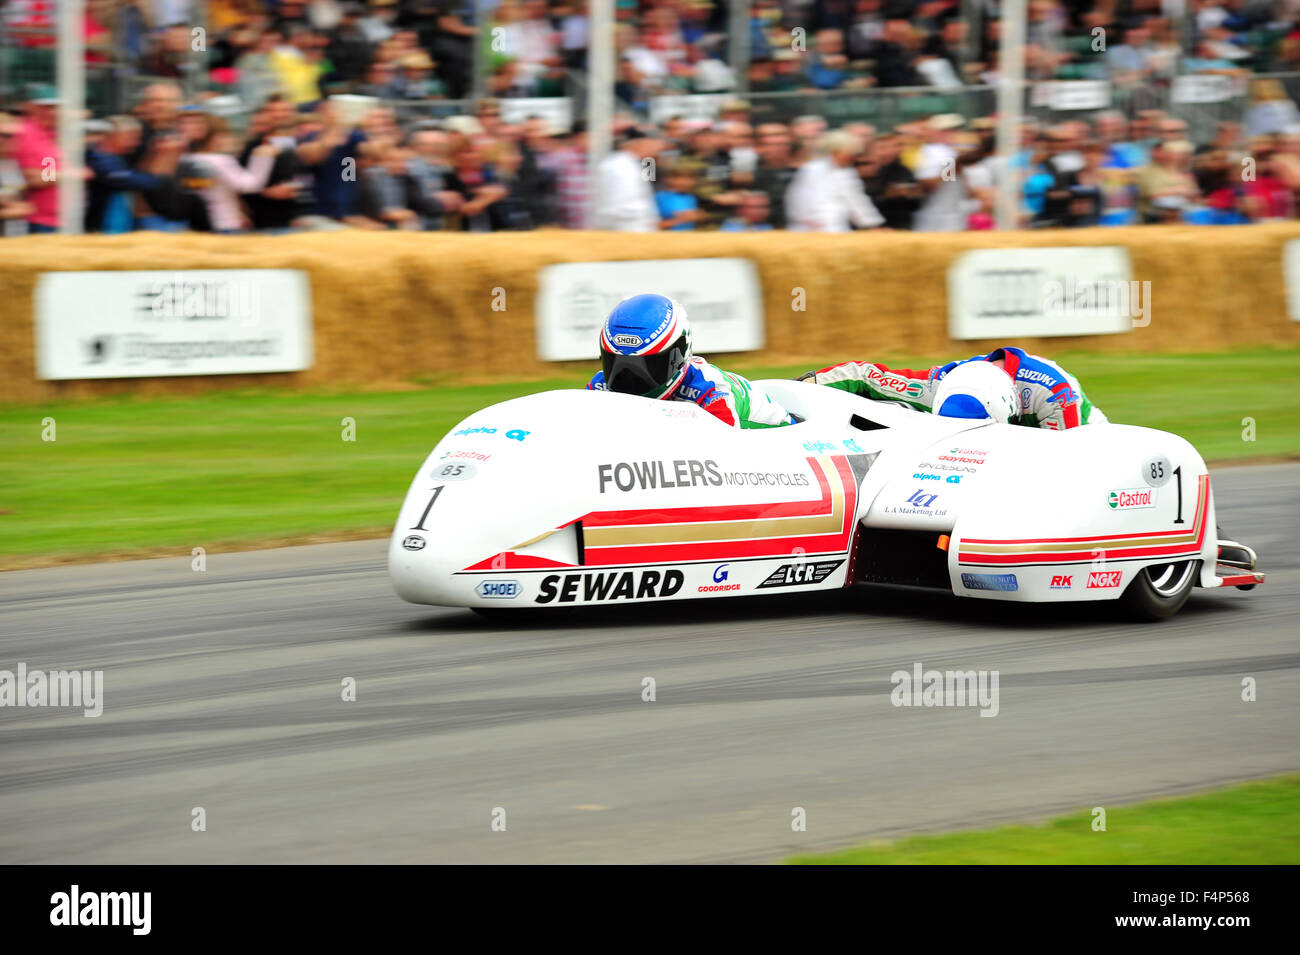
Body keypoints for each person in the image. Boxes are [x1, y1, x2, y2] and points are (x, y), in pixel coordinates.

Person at [588, 293, 796, 430]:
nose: (630, 380)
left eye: (647, 366)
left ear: (679, 355)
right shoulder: (599, 387)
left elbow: (728, 462)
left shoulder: (711, 393)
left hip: (780, 440)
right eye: (616, 365)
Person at [801, 346, 1106, 430]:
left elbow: (1066, 462)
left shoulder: (1053, 394)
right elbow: (863, 375)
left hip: (1076, 432)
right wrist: (801, 389)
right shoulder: (938, 386)